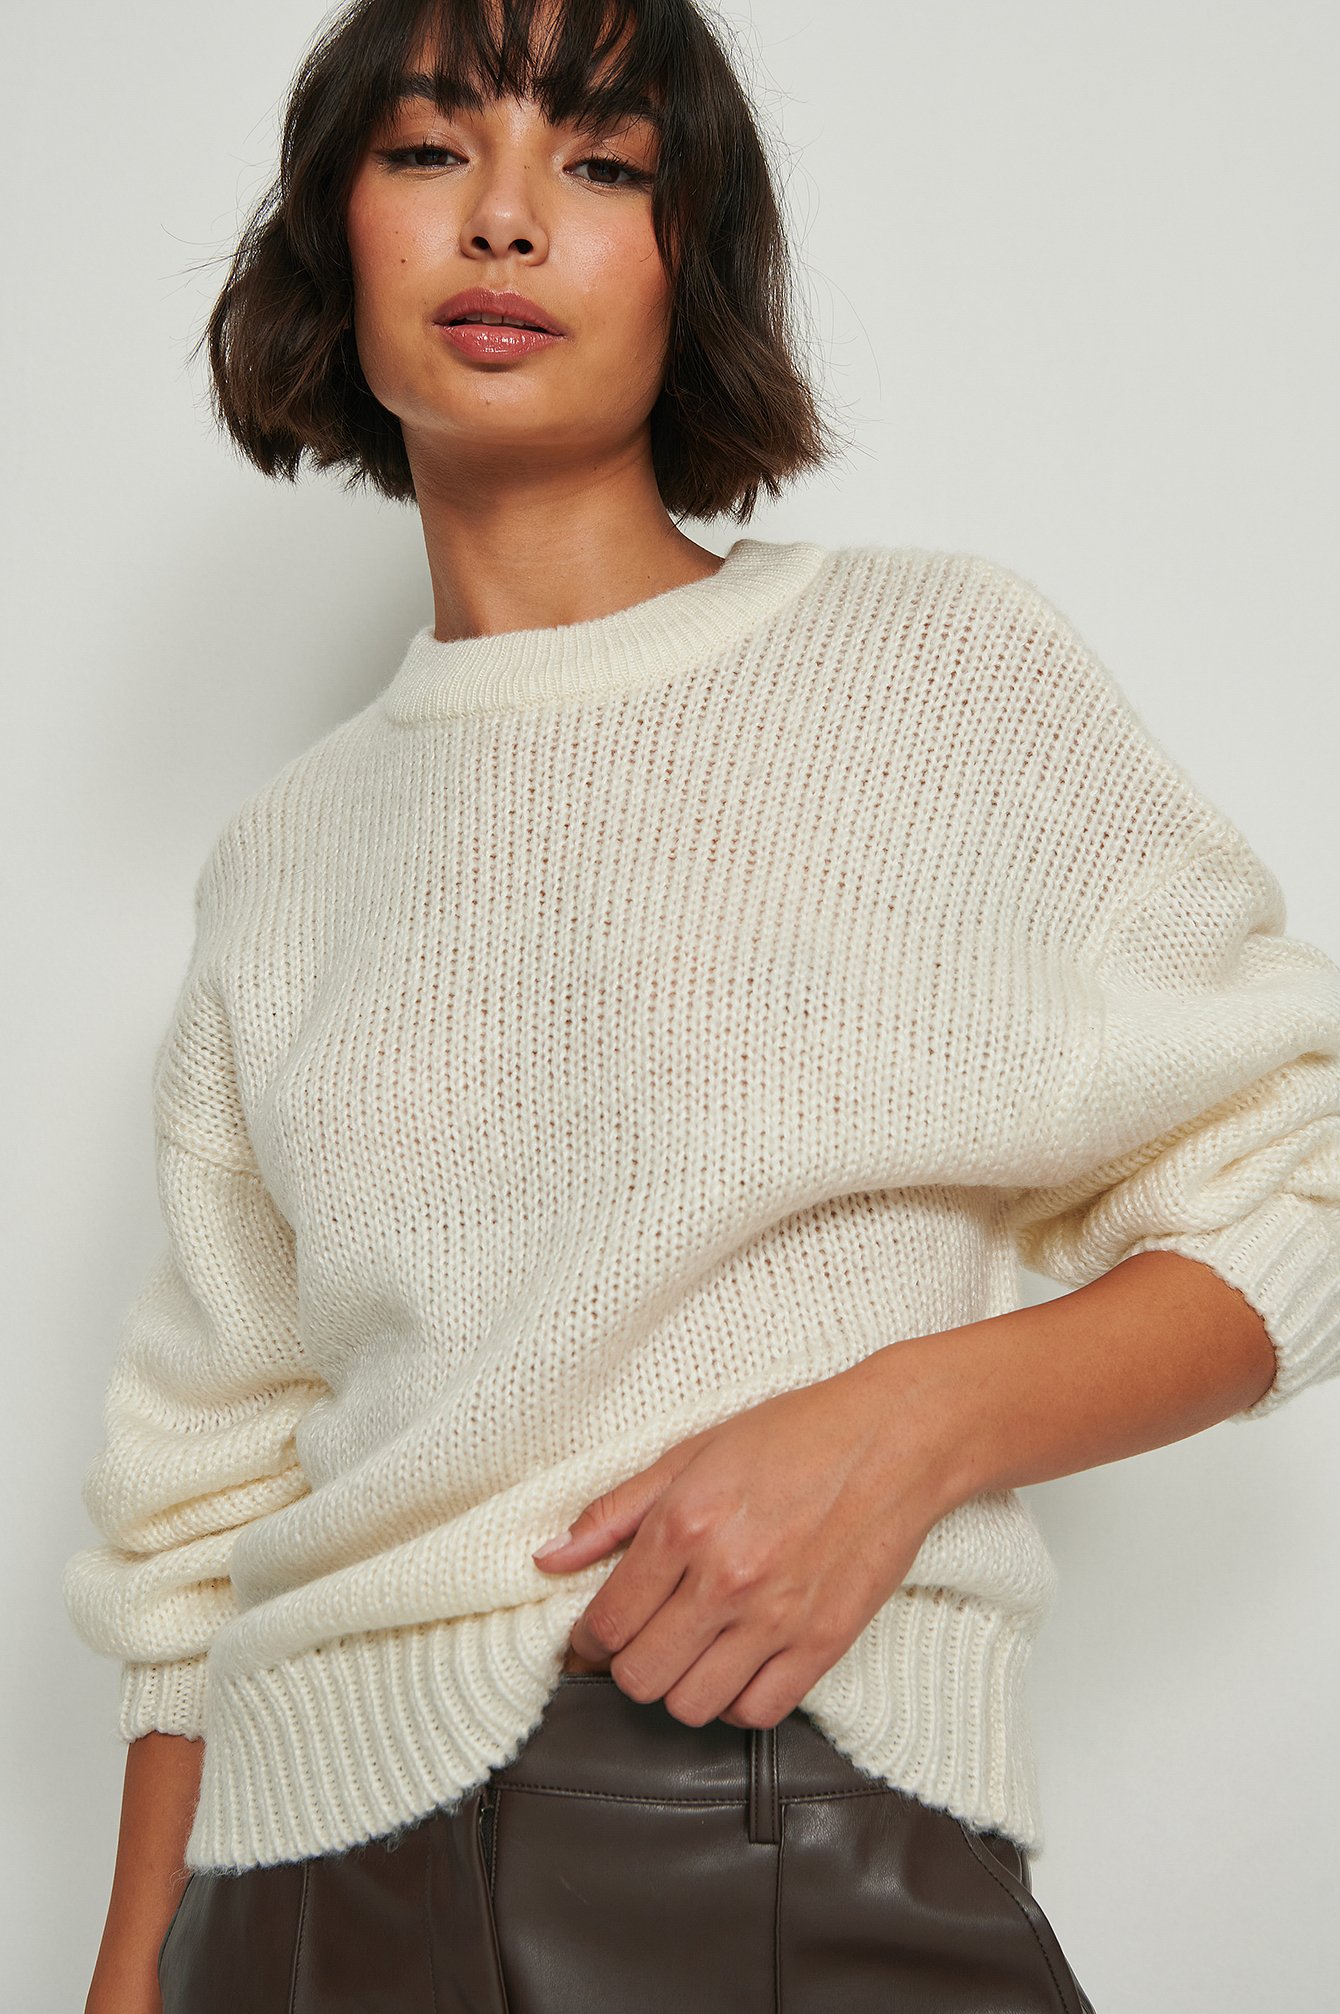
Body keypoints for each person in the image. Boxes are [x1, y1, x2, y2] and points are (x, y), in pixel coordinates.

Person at [65, 1, 1340, 2010]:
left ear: (698, 263)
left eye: (601, 163)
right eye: (429, 150)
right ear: (335, 237)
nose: (503, 219)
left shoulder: (929, 672)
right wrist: (133, 1969)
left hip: (765, 1819)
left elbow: (1304, 1169)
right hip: (287, 1903)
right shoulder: (285, 853)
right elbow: (202, 1486)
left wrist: (906, 1425)